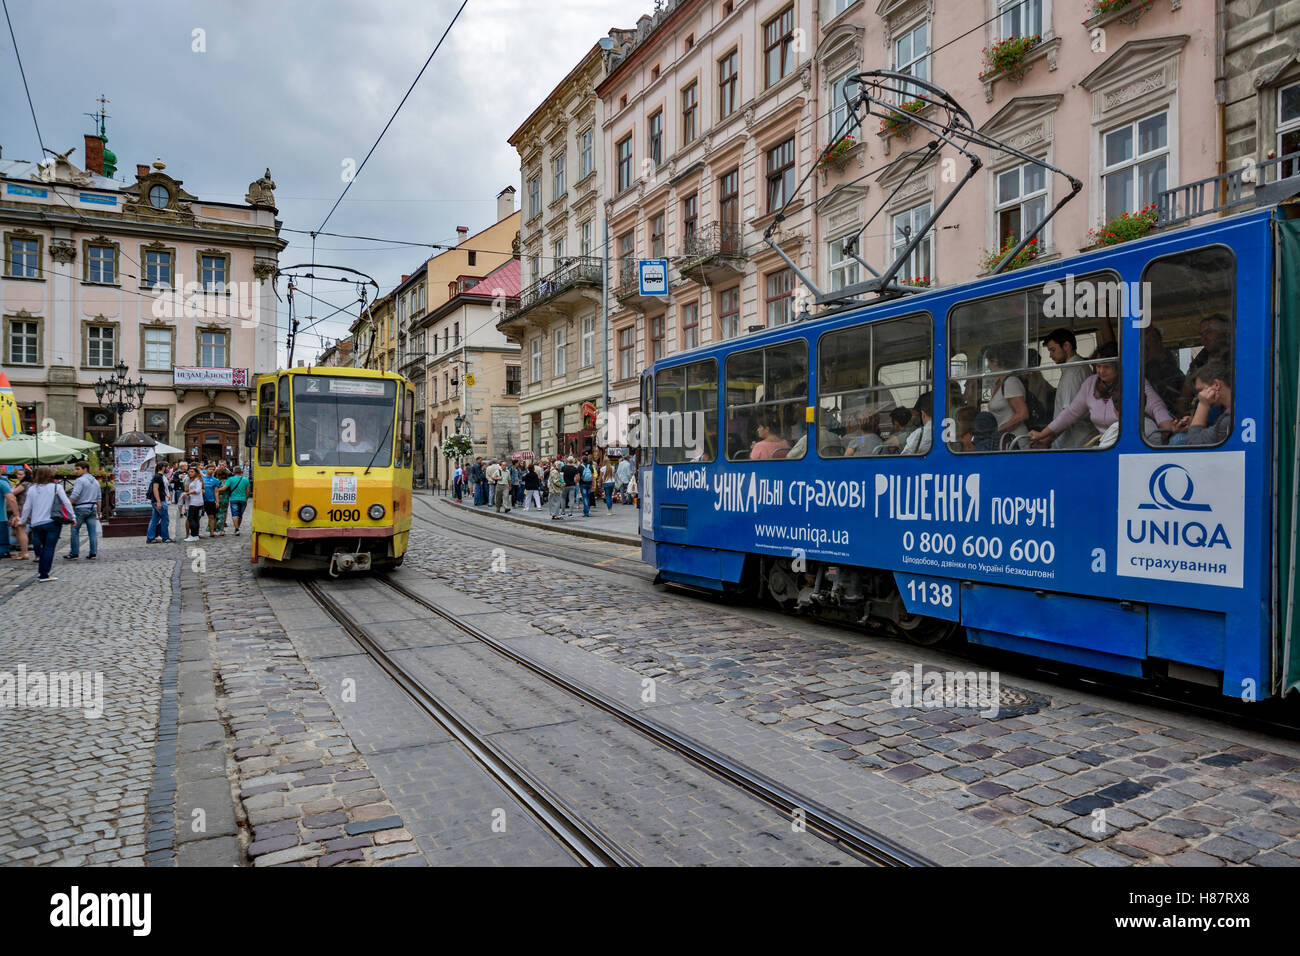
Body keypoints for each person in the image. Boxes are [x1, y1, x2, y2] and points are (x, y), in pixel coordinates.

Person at [1029, 343, 1177, 448]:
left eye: (1106, 367)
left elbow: (1156, 407)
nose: (1101, 371)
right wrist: (1043, 434)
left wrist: (1169, 428)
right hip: (1105, 446)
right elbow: (1070, 413)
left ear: (1118, 367)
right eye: (1098, 366)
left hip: (1131, 445)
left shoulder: (1134, 380)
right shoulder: (1090, 383)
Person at [1042, 329, 1096, 449]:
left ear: (1066, 346)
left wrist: (1047, 439)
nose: (1050, 355)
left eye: (1053, 350)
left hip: (1073, 443)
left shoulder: (1072, 373)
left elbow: (1068, 415)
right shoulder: (1080, 367)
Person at [20, 466, 73, 581]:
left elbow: (27, 507)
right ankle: (44, 574)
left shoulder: (32, 489)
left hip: (36, 523)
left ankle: (42, 572)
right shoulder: (56, 487)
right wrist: (72, 517)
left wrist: (22, 521)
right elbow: (66, 502)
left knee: (43, 549)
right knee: (49, 548)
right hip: (51, 522)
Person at [986, 344, 1029, 444]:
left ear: (996, 361)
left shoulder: (1010, 382)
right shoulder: (999, 383)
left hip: (1015, 441)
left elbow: (1023, 413)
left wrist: (1000, 430)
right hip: (1005, 439)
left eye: (989, 361)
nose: (988, 365)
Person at [1182, 360, 1233, 446]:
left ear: (1216, 385)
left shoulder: (1228, 420)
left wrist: (1203, 404)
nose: (1199, 396)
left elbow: (1193, 444)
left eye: (1201, 390)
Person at [66, 461, 101, 560]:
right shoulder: (95, 481)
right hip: (93, 508)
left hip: (81, 508)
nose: (75, 471)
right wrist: (99, 512)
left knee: (74, 530)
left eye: (78, 469)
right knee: (92, 532)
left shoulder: (80, 480)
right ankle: (93, 552)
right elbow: (99, 498)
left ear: (85, 469)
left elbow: (75, 494)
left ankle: (74, 552)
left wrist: (67, 505)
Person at [9, 467, 31, 560]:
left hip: (22, 508)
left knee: (21, 529)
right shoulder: (22, 483)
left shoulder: (25, 484)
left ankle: (25, 552)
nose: (18, 476)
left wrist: (14, 485)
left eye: (21, 474)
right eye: (18, 474)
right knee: (17, 529)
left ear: (26, 475)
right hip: (19, 507)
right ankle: (22, 551)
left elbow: (12, 492)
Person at [146, 462, 172, 543]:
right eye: (168, 467)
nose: (169, 469)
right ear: (163, 467)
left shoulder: (160, 476)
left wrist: (166, 495)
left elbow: (160, 489)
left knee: (154, 519)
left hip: (160, 500)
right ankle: (165, 537)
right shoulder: (157, 476)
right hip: (159, 501)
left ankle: (150, 538)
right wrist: (158, 501)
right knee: (165, 519)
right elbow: (155, 489)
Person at [221, 465, 250, 534]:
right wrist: (246, 499)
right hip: (243, 499)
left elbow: (224, 488)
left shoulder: (230, 479)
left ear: (233, 472)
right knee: (240, 515)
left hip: (233, 499)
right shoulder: (246, 480)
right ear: (241, 472)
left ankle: (236, 529)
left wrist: (216, 490)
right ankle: (237, 528)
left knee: (234, 514)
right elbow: (248, 491)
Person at [184, 467, 204, 542]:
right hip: (194, 501)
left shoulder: (198, 480)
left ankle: (193, 535)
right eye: (189, 472)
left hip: (195, 502)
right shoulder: (193, 480)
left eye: (192, 472)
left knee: (191, 518)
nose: (190, 473)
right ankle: (195, 535)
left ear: (196, 473)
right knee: (195, 519)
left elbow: (198, 490)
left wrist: (188, 493)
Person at [201, 465, 222, 536]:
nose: (211, 471)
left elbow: (216, 491)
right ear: (206, 469)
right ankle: (196, 533)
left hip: (210, 500)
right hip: (201, 500)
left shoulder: (215, 480)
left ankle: (212, 532)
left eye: (213, 469)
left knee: (211, 516)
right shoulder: (201, 478)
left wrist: (217, 501)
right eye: (210, 469)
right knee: (198, 517)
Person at [213, 464, 231, 534]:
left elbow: (218, 489)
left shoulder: (217, 481)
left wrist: (216, 490)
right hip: (225, 498)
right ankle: (222, 529)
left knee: (216, 513)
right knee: (223, 513)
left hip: (217, 498)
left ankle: (216, 528)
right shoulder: (227, 481)